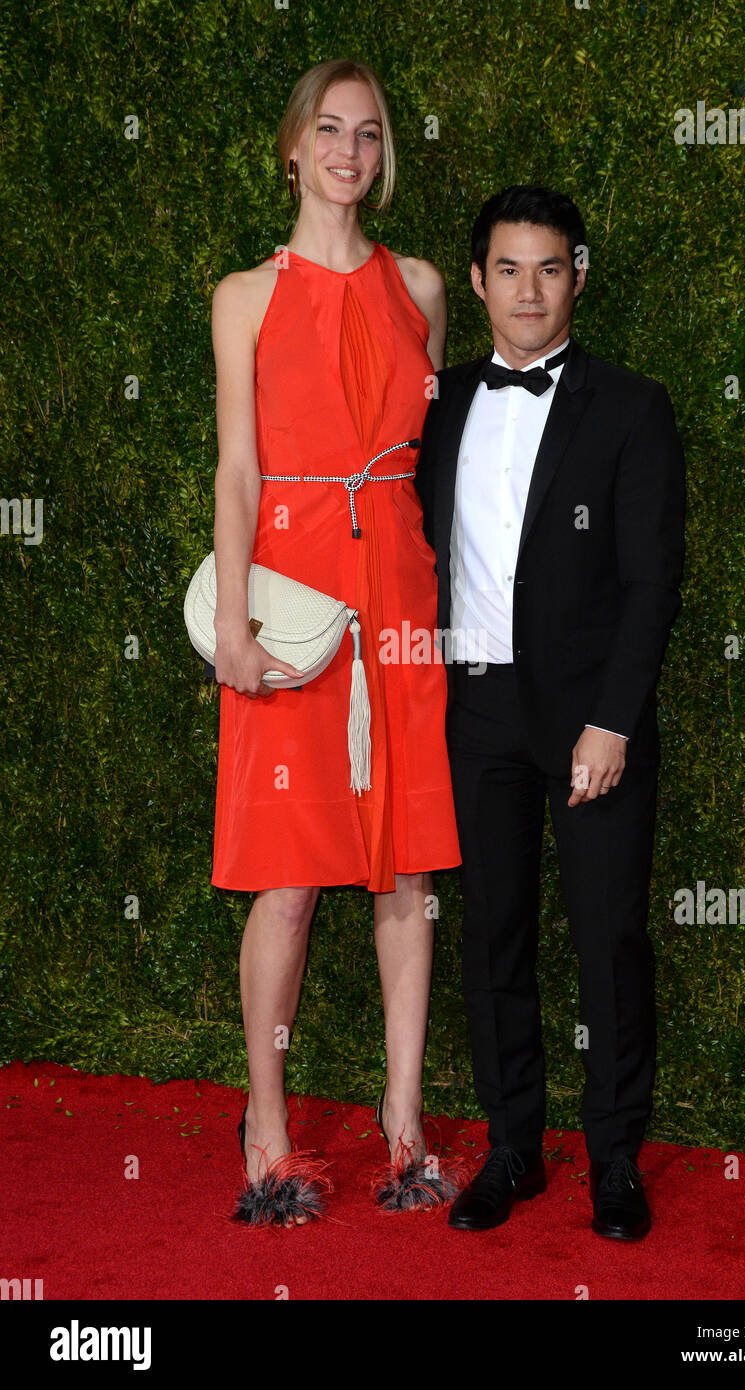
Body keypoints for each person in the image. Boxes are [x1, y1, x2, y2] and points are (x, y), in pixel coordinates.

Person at [209, 58, 462, 1226]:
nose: (350, 152)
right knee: (288, 879)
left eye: (367, 134)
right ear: (292, 147)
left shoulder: (417, 283)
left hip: (399, 602)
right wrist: (230, 625)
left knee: (406, 869)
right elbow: (238, 467)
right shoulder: (244, 298)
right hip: (292, 602)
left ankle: (402, 1125)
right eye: (329, 130)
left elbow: (427, 461)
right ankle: (265, 1125)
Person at [414, 185, 686, 1240]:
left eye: (550, 268)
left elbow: (652, 579)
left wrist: (612, 720)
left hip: (588, 719)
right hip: (474, 710)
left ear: (578, 276)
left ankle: (615, 1160)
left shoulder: (631, 405)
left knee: (609, 938)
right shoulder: (435, 403)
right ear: (477, 280)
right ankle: (513, 1149)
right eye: (508, 269)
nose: (529, 290)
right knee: (493, 938)